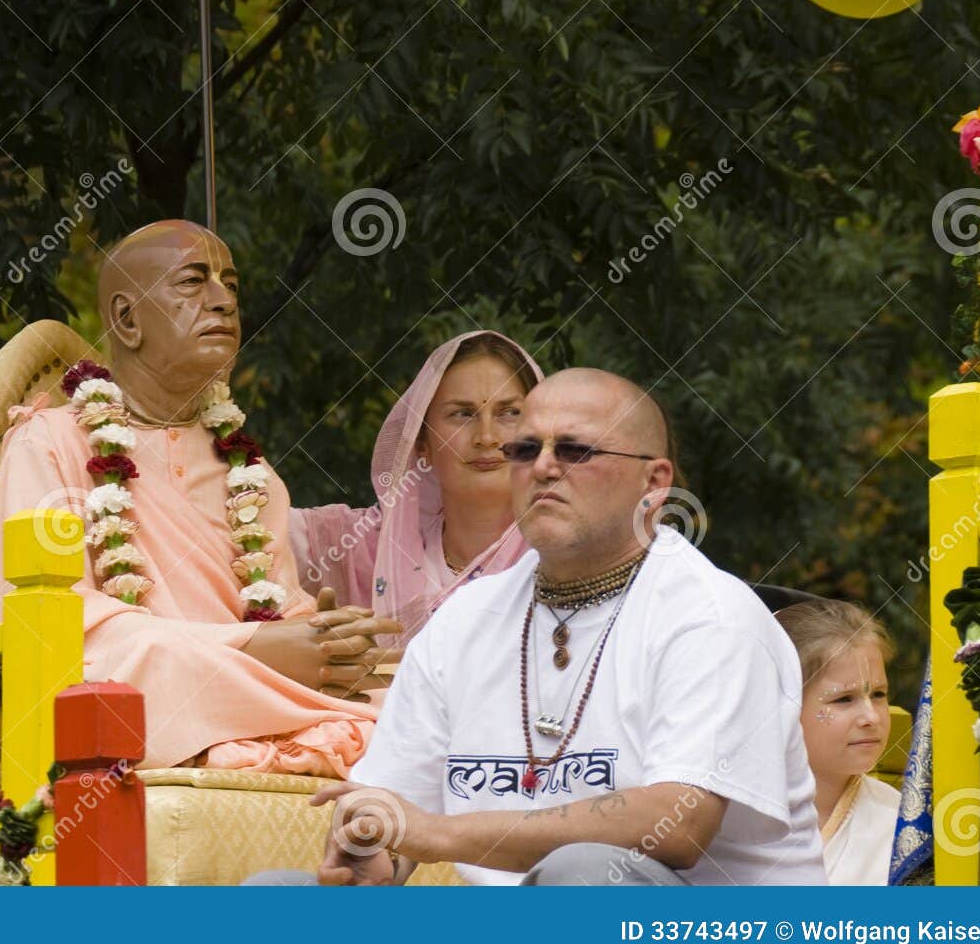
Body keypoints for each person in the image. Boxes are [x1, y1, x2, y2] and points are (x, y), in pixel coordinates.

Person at [305, 368, 827, 885]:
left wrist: (438, 834)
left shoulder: (710, 617)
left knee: (585, 873)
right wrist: (375, 851)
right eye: (525, 450)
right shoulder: (464, 620)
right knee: (279, 897)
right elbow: (395, 800)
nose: (544, 468)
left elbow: (678, 824)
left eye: (576, 451)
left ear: (655, 482)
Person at [0, 220, 399, 778]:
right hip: (135, 686)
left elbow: (280, 611)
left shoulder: (251, 472)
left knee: (404, 696)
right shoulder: (50, 441)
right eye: (194, 282)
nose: (223, 301)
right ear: (127, 320)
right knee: (123, 658)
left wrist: (326, 643)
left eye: (231, 285)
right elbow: (40, 620)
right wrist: (253, 649)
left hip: (248, 690)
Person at [292, 331, 541, 643]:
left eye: (509, 413)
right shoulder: (364, 547)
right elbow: (242, 514)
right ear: (421, 442)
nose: (487, 437)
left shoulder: (567, 554)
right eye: (462, 414)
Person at [775, 600, 899, 885]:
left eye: (879, 694)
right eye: (844, 699)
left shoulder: (904, 827)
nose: (871, 717)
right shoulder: (726, 816)